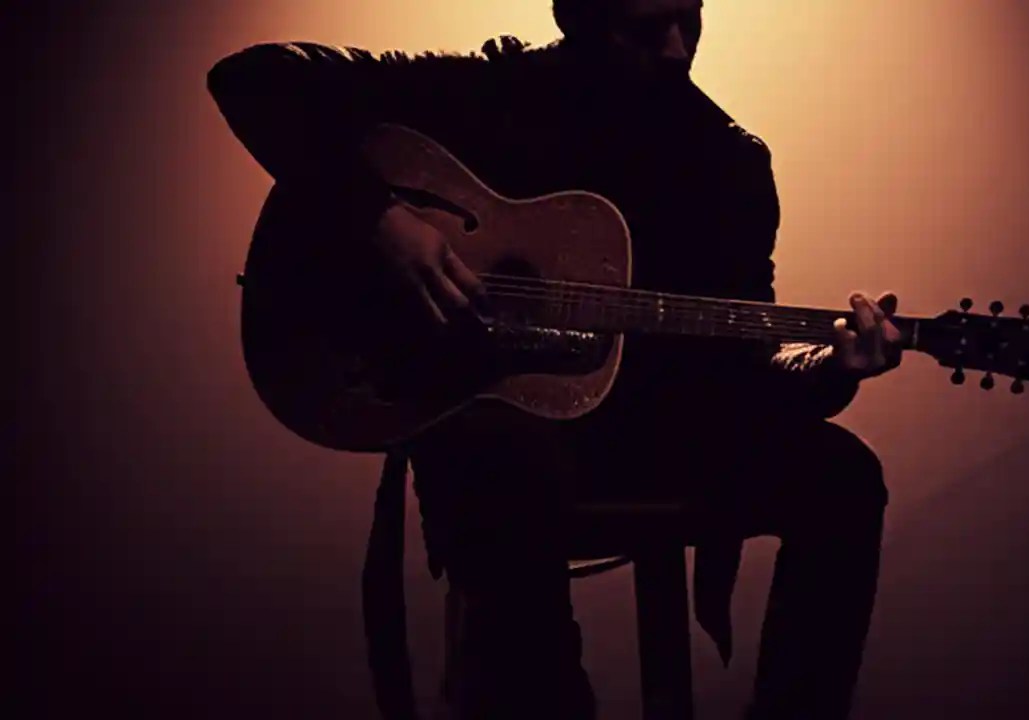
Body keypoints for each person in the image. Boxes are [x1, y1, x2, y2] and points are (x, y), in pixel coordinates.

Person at [207, 1, 903, 717]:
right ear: (579, 17)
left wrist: (833, 368)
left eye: (689, 21)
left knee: (843, 475)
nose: (675, 50)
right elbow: (254, 78)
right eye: (645, 28)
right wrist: (380, 219)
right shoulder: (494, 92)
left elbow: (744, 368)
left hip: (655, 437)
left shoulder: (730, 164)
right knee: (499, 454)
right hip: (503, 436)